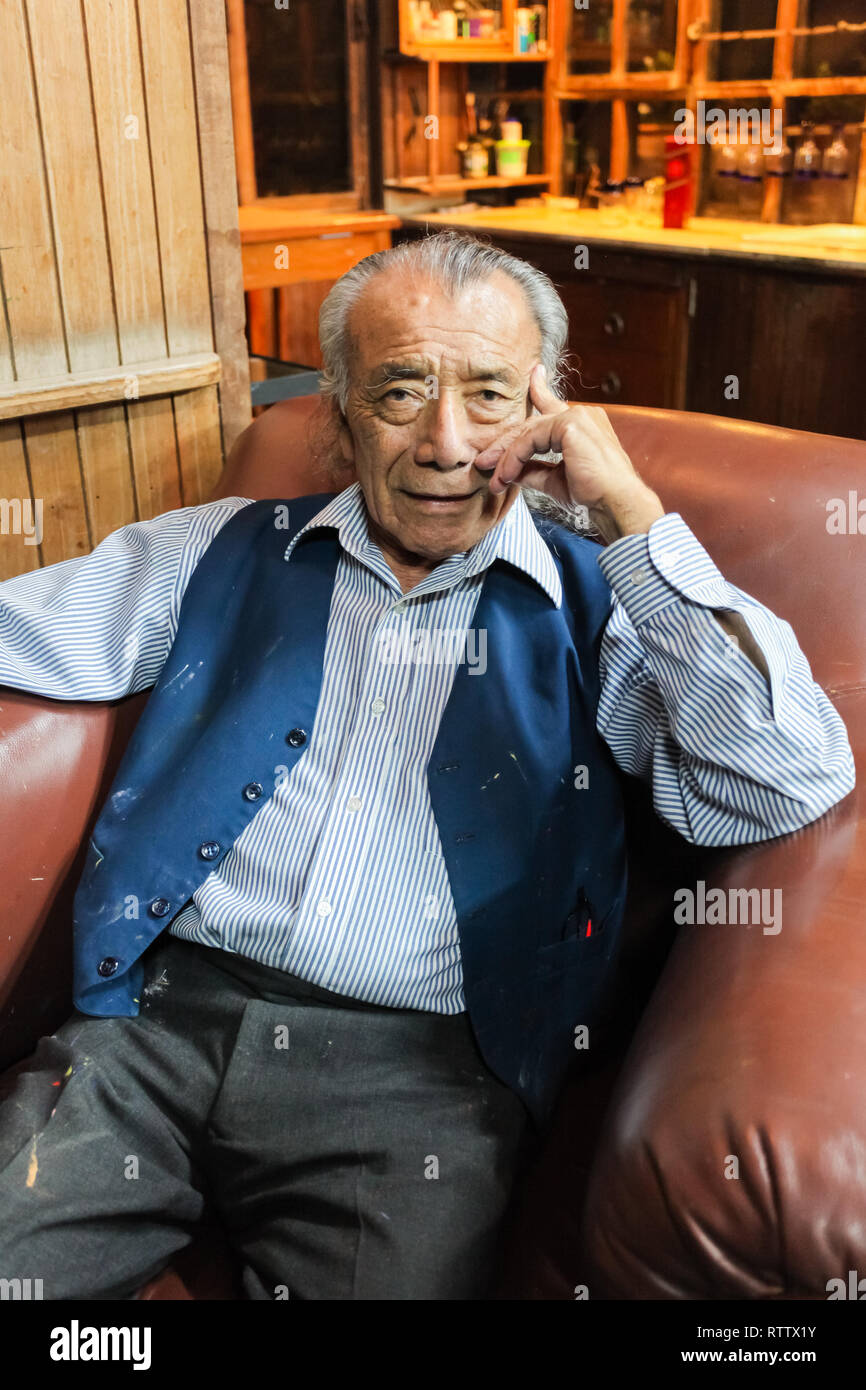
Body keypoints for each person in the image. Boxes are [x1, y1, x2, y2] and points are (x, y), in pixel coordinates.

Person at [0, 230, 854, 1300]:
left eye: (489, 395)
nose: (446, 444)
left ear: (545, 409)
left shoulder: (603, 605)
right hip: (149, 1027)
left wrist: (632, 515)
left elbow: (783, 778)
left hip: (421, 1080)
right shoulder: (213, 549)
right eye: (401, 392)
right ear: (342, 408)